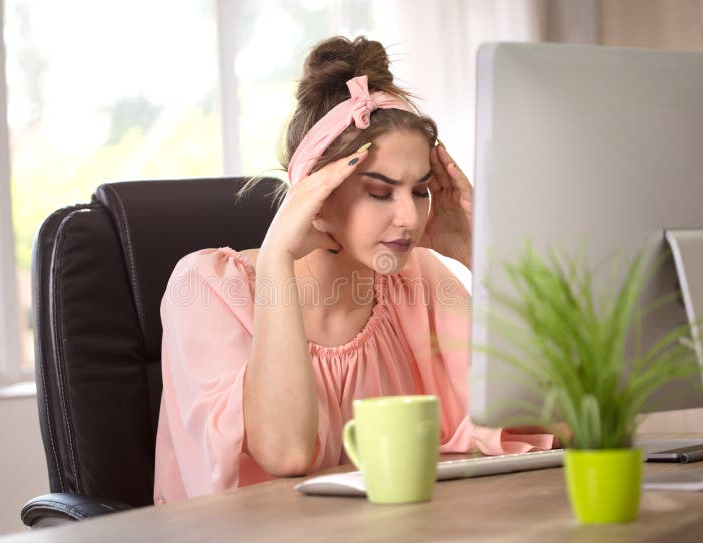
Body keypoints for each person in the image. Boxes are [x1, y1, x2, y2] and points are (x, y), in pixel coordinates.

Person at [153, 36, 553, 503]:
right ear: (316, 197)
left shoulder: (414, 279)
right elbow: (287, 454)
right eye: (380, 192)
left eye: (420, 191)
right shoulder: (207, 287)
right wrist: (279, 256)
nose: (409, 217)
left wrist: (480, 253)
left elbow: (549, 417)